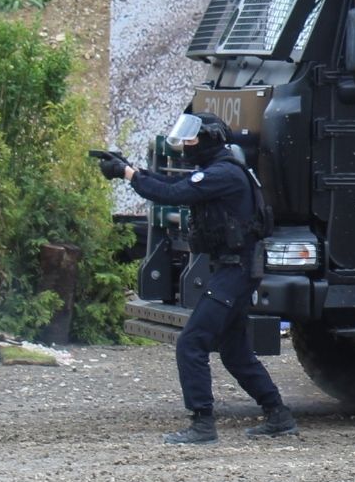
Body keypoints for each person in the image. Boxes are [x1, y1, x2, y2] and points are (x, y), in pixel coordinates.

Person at [100, 114, 298, 445]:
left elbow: (170, 193)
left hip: (236, 271)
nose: (186, 146)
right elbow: (172, 186)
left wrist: (127, 173)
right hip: (234, 270)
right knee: (235, 352)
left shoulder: (223, 174)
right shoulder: (221, 169)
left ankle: (203, 424)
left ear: (209, 139)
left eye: (192, 140)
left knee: (191, 343)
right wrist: (130, 169)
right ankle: (278, 414)